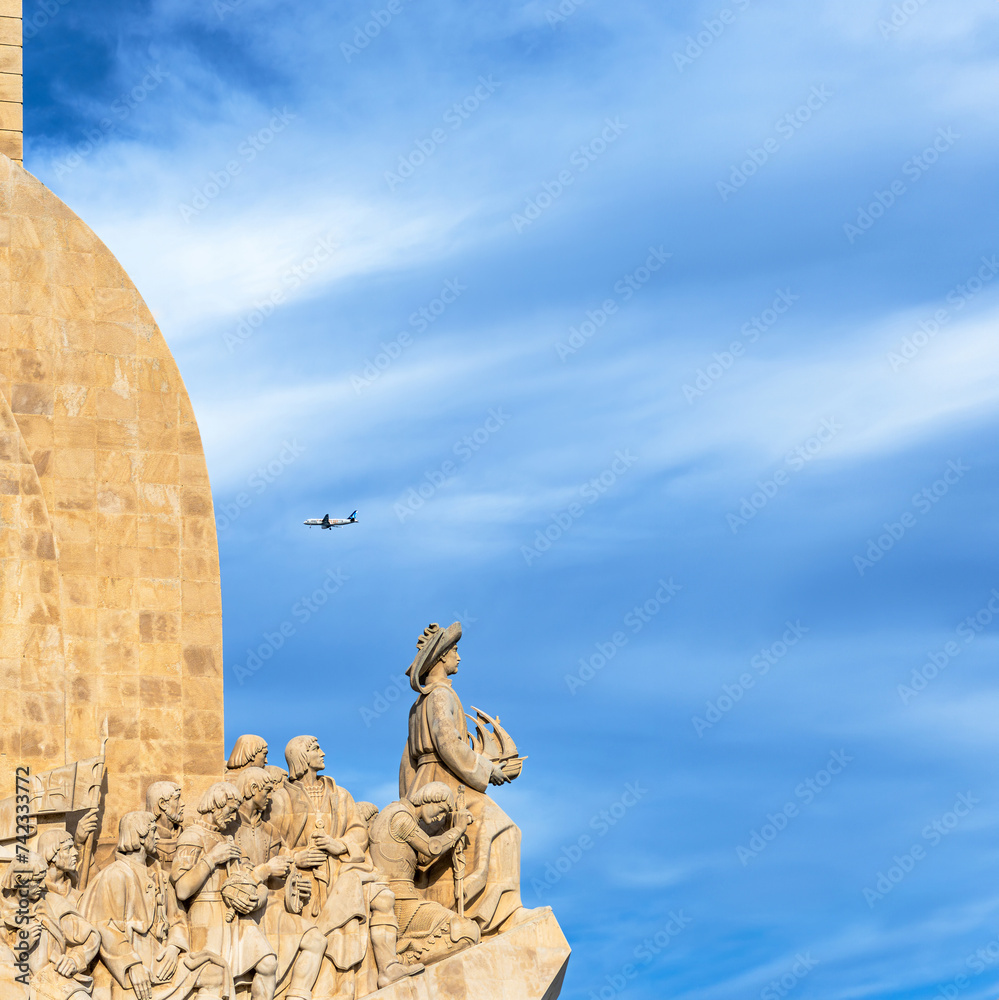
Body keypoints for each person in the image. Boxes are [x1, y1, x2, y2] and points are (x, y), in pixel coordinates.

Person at [400, 622, 536, 937]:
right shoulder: (441, 695)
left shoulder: (419, 703)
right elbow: (448, 743)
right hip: (445, 782)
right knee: (503, 827)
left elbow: (407, 762)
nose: (459, 657)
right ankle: (498, 915)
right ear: (441, 656)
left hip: (426, 781)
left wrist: (408, 798)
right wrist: (488, 770)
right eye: (455, 651)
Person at [267, 737, 421, 996]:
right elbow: (270, 846)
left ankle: (389, 968)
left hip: (343, 871)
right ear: (302, 757)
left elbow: (359, 832)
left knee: (383, 897)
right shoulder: (281, 800)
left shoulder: (340, 795)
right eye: (316, 749)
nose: (323, 753)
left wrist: (340, 845)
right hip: (303, 882)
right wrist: (297, 858)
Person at [82, 812, 228, 1000]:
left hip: (163, 959)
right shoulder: (116, 875)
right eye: (153, 832)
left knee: (217, 973)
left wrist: (175, 947)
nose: (157, 837)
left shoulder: (161, 876)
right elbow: (104, 926)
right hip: (135, 962)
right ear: (140, 836)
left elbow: (177, 918)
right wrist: (132, 965)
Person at [170, 786, 278, 1000]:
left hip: (236, 918)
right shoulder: (191, 836)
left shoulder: (228, 840)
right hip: (207, 918)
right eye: (230, 811)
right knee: (215, 981)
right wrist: (211, 859)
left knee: (268, 963)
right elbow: (182, 889)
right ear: (217, 805)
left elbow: (250, 876)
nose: (232, 817)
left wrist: (256, 898)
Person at [230, 768, 326, 1000]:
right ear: (253, 790)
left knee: (316, 940)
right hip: (243, 910)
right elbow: (233, 876)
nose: (270, 797)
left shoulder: (270, 830)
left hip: (271, 908)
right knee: (265, 965)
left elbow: (287, 865)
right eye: (266, 791)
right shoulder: (229, 829)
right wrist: (266, 870)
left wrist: (296, 886)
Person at [368, 782, 479, 967]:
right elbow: (430, 848)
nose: (440, 817)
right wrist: (458, 829)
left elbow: (423, 858)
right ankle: (403, 961)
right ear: (429, 798)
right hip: (400, 903)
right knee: (467, 931)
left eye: (445, 815)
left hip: (401, 900)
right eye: (441, 810)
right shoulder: (400, 816)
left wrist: (447, 828)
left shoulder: (400, 814)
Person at [2, 851, 100, 1000]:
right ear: (20, 879)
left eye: (43, 879)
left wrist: (74, 959)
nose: (42, 886)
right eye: (37, 880)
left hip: (53, 981)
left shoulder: (52, 902)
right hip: (14, 987)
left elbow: (92, 936)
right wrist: (20, 947)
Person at [145, 784, 185, 866]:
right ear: (162, 803)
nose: (182, 804)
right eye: (177, 799)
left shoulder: (185, 834)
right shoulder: (143, 839)